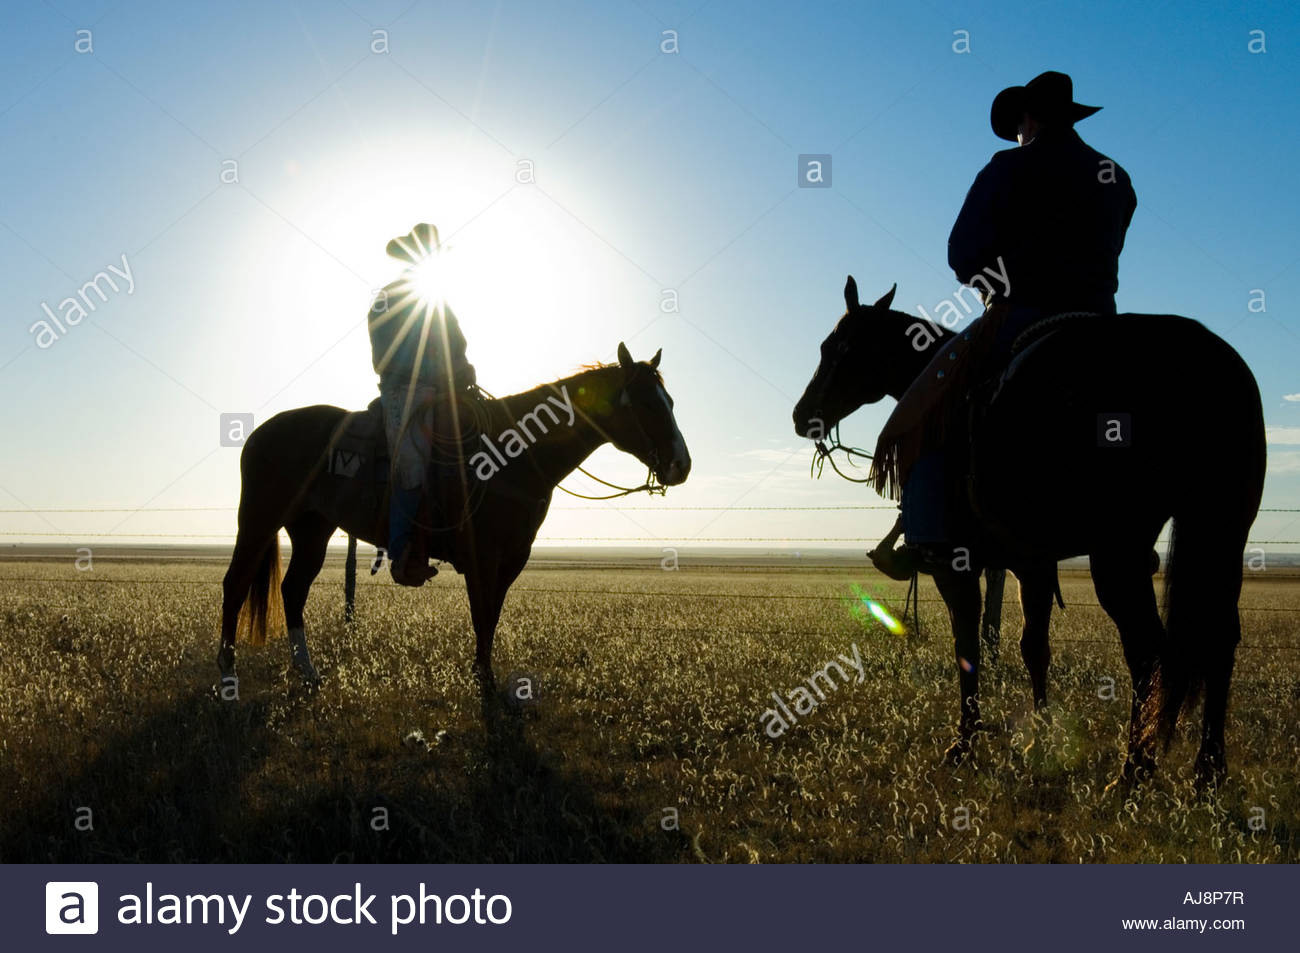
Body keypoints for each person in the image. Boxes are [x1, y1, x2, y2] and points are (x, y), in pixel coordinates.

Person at [871, 71, 1137, 579]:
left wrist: (998, 281)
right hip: (1102, 320)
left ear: (1029, 119)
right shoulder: (1115, 175)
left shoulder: (1008, 167)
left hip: (1023, 316)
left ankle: (925, 535)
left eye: (1019, 125)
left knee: (934, 402)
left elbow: (962, 254)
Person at [368, 223, 477, 587]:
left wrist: (462, 370)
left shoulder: (438, 299)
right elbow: (384, 352)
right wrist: (428, 374)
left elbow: (456, 344)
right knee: (411, 462)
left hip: (441, 388)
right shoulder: (389, 298)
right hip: (405, 388)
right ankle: (401, 556)